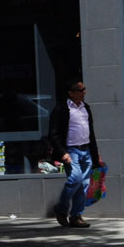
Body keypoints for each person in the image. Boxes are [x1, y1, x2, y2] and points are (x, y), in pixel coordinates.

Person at [48, 80, 100, 228]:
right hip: (71, 151)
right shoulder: (61, 109)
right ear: (71, 93)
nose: (84, 92)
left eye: (84, 89)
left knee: (83, 184)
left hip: (86, 150)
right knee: (75, 179)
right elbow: (53, 134)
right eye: (81, 89)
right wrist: (62, 152)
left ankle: (76, 216)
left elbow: (91, 133)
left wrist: (96, 155)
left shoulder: (86, 108)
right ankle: (61, 209)